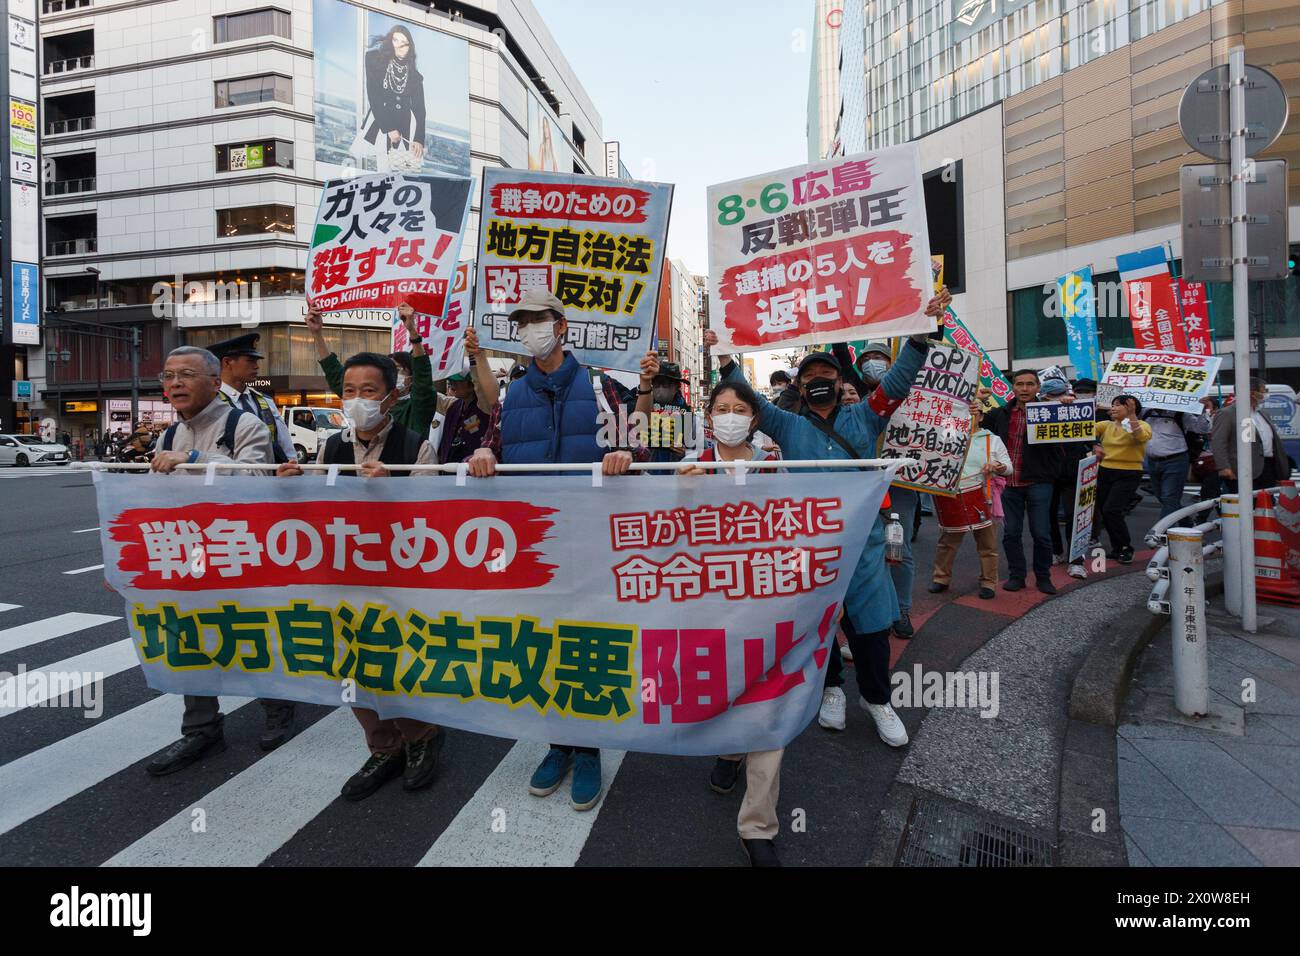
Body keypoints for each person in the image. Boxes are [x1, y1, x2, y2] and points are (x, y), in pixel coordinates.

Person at [708, 285, 952, 749]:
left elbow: (898, 382)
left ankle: (877, 699)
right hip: (808, 549)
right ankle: (832, 688)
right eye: (810, 375)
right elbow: (748, 398)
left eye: (827, 374)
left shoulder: (867, 417)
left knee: (871, 626)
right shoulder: (788, 424)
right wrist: (723, 356)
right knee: (818, 624)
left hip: (863, 545)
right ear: (799, 387)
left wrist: (923, 332)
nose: (818, 379)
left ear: (840, 383)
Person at [466, 287, 651, 812]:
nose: (530, 329)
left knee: (586, 642)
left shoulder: (599, 385)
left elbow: (636, 443)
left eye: (538, 319)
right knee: (542, 644)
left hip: (590, 542)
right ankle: (559, 743)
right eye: (521, 322)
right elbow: (492, 444)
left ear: (561, 325)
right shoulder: (511, 393)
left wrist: (624, 453)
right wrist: (483, 454)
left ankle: (588, 749)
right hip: (533, 545)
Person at [276, 351, 444, 800]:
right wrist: (290, 485)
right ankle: (383, 746)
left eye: (368, 391)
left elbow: (434, 517)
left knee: (398, 663)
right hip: (343, 578)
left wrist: (393, 489)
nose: (356, 400)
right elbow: (313, 508)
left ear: (390, 396)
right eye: (349, 391)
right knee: (351, 666)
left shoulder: (415, 447)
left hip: (399, 581)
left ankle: (421, 737)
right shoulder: (331, 447)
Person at [144, 346, 297, 776]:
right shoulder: (168, 436)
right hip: (187, 552)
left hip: (239, 549)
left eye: (186, 374)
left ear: (215, 383)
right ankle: (201, 729)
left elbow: (256, 479)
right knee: (188, 635)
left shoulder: (243, 424)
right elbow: (153, 504)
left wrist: (196, 460)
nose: (175, 383)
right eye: (168, 375)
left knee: (252, 628)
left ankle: (278, 705)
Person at [677, 377, 783, 866]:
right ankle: (730, 751)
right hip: (711, 603)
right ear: (708, 416)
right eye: (723, 408)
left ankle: (757, 826)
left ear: (755, 418)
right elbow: (667, 535)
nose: (731, 416)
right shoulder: (689, 466)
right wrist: (684, 491)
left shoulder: (776, 465)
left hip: (767, 599)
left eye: (741, 409)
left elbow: (801, 525)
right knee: (725, 685)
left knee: (769, 702)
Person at [983, 369, 1066, 594]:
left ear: (1038, 387)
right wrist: (976, 402)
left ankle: (1043, 577)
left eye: (1030, 384)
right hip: (1007, 483)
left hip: (1040, 482)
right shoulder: (1000, 413)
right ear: (1013, 387)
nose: (1025, 388)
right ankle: (1017, 576)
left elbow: (1077, 429)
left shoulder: (1052, 411)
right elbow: (975, 423)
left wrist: (1068, 405)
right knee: (1011, 533)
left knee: (1041, 533)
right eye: (1019, 384)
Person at [305, 301, 438, 438]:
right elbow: (335, 374)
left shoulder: (417, 410)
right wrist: (317, 334)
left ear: (410, 379)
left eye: (398, 369)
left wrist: (413, 332)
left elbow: (423, 381)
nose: (359, 398)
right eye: (350, 391)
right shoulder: (336, 445)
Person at [929, 400, 1010, 599]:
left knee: (987, 544)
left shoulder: (992, 439)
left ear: (981, 416)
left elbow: (1008, 467)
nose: (967, 416)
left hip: (983, 496)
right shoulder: (946, 436)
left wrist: (997, 466)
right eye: (962, 412)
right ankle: (941, 578)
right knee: (947, 542)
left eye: (973, 412)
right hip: (952, 496)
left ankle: (988, 582)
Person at [209, 332, 295, 464]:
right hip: (230, 474)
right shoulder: (211, 403)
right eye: (250, 361)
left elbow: (285, 447)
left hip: (269, 474)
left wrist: (291, 466)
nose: (256, 366)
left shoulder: (265, 401)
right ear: (227, 362)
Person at [1093, 395, 1152, 564]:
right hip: (1105, 470)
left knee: (1112, 510)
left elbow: (1139, 436)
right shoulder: (1106, 425)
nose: (1114, 407)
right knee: (1105, 511)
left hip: (1129, 472)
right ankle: (1117, 548)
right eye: (1113, 404)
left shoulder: (1142, 424)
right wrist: (1091, 413)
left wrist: (1132, 415)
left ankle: (1126, 547)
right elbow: (1084, 430)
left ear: (1132, 408)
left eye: (1119, 405)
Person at [361, 25, 426, 172]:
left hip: (406, 126)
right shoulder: (375, 60)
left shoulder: (415, 76)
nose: (399, 46)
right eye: (395, 40)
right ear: (390, 42)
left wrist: (419, 138)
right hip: (381, 121)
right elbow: (374, 96)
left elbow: (420, 109)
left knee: (403, 171)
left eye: (404, 42)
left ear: (410, 46)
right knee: (383, 169)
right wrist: (389, 128)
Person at [1211, 377, 1289, 495]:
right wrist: (1223, 467)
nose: (1265, 394)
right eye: (1263, 390)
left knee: (1266, 502)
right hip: (1242, 469)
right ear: (1252, 393)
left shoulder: (1263, 413)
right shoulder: (1227, 413)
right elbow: (1219, 442)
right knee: (1247, 502)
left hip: (1267, 467)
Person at [1142, 400, 1211, 519]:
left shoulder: (1181, 413)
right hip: (1153, 461)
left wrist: (1203, 411)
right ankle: (1185, 521)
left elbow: (1202, 429)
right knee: (1162, 497)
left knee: (1169, 498)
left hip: (1175, 461)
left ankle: (1164, 529)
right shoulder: (1146, 412)